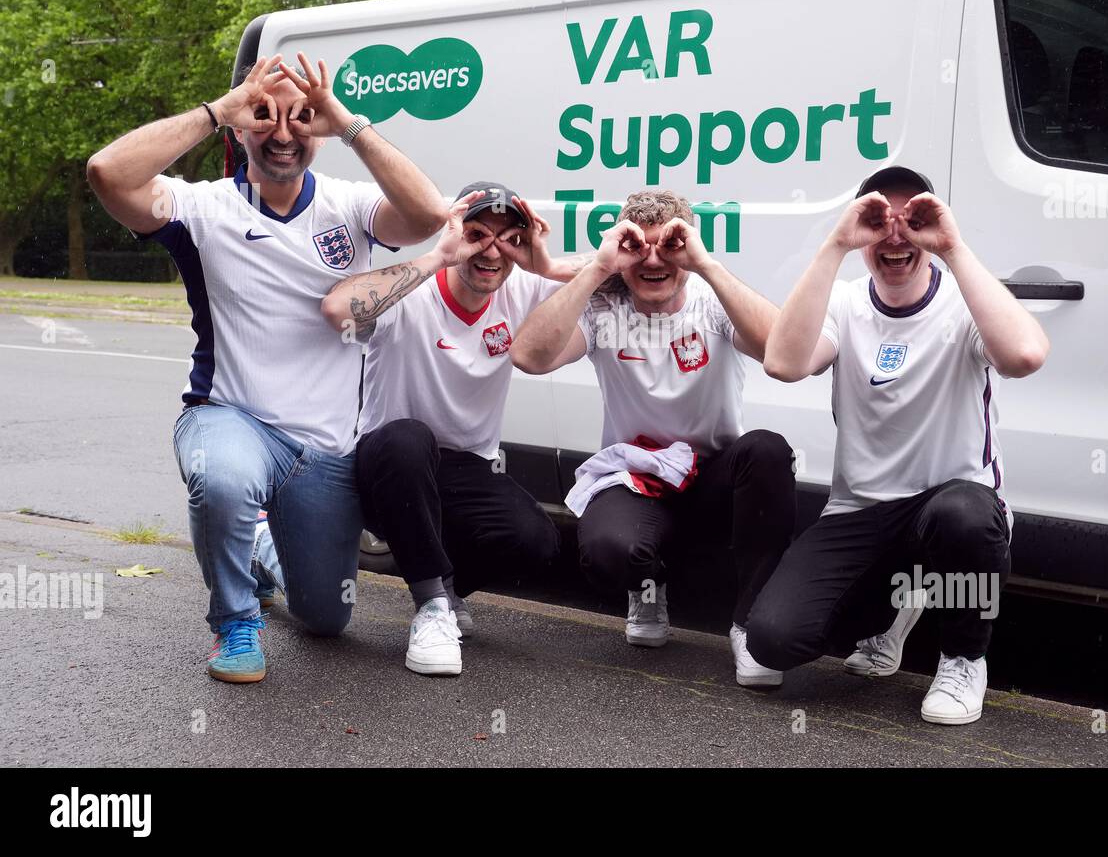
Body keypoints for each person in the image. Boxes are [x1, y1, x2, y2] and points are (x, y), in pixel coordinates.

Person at [86, 52, 449, 683]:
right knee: (224, 479)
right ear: (240, 128)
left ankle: (256, 546)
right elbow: (107, 172)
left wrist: (341, 116)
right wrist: (217, 110)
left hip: (326, 448)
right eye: (263, 117)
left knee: (325, 621)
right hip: (232, 417)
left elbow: (427, 216)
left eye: (300, 119)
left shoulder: (353, 205)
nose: (282, 134)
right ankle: (235, 622)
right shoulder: (198, 208)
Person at [748, 165, 1050, 724]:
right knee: (773, 640)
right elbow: (783, 363)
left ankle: (963, 660)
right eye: (878, 219)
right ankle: (895, 609)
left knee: (964, 517)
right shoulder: (844, 303)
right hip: (860, 512)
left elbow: (1025, 355)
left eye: (912, 219)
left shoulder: (964, 303)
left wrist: (954, 247)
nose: (895, 236)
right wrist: (836, 243)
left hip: (947, 506)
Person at [510, 190, 795, 688]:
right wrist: (598, 268)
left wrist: (706, 266)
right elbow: (530, 357)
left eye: (670, 247)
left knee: (768, 451)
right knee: (607, 548)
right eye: (638, 248)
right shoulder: (605, 308)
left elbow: (782, 350)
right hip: (639, 476)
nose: (654, 261)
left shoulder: (711, 304)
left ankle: (747, 626)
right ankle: (647, 586)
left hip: (713, 473)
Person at [316, 182, 590, 676]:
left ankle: (446, 586)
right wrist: (438, 256)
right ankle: (432, 607)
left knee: (537, 541)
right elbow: (338, 309)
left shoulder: (525, 287)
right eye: (477, 233)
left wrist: (547, 268)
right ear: (454, 234)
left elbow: (616, 272)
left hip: (465, 467)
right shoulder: (415, 286)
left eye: (507, 238)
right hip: (387, 463)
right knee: (409, 439)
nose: (490, 250)